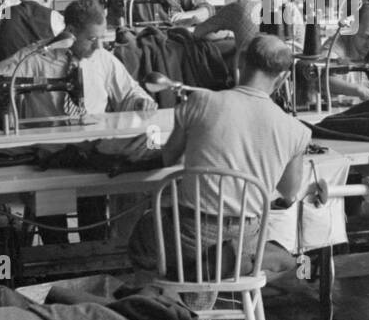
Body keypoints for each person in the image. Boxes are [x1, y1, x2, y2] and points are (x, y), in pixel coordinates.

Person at [128, 34, 310, 281]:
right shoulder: (296, 130)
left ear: (240, 62)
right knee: (252, 244)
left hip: (190, 237)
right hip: (245, 239)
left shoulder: (200, 101)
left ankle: (167, 300)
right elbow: (289, 192)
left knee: (144, 233)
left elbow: (169, 158)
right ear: (283, 77)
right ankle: (217, 270)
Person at [0, 0, 155, 123]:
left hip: (94, 141)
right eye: (92, 39)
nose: (99, 47)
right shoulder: (35, 56)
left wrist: (140, 101)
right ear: (71, 31)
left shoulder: (103, 58)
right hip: (48, 146)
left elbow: (130, 92)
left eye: (102, 38)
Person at [193, 0, 305, 54]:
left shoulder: (237, 6)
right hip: (285, 69)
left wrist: (229, 33)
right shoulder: (289, 7)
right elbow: (301, 42)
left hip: (249, 71)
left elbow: (198, 32)